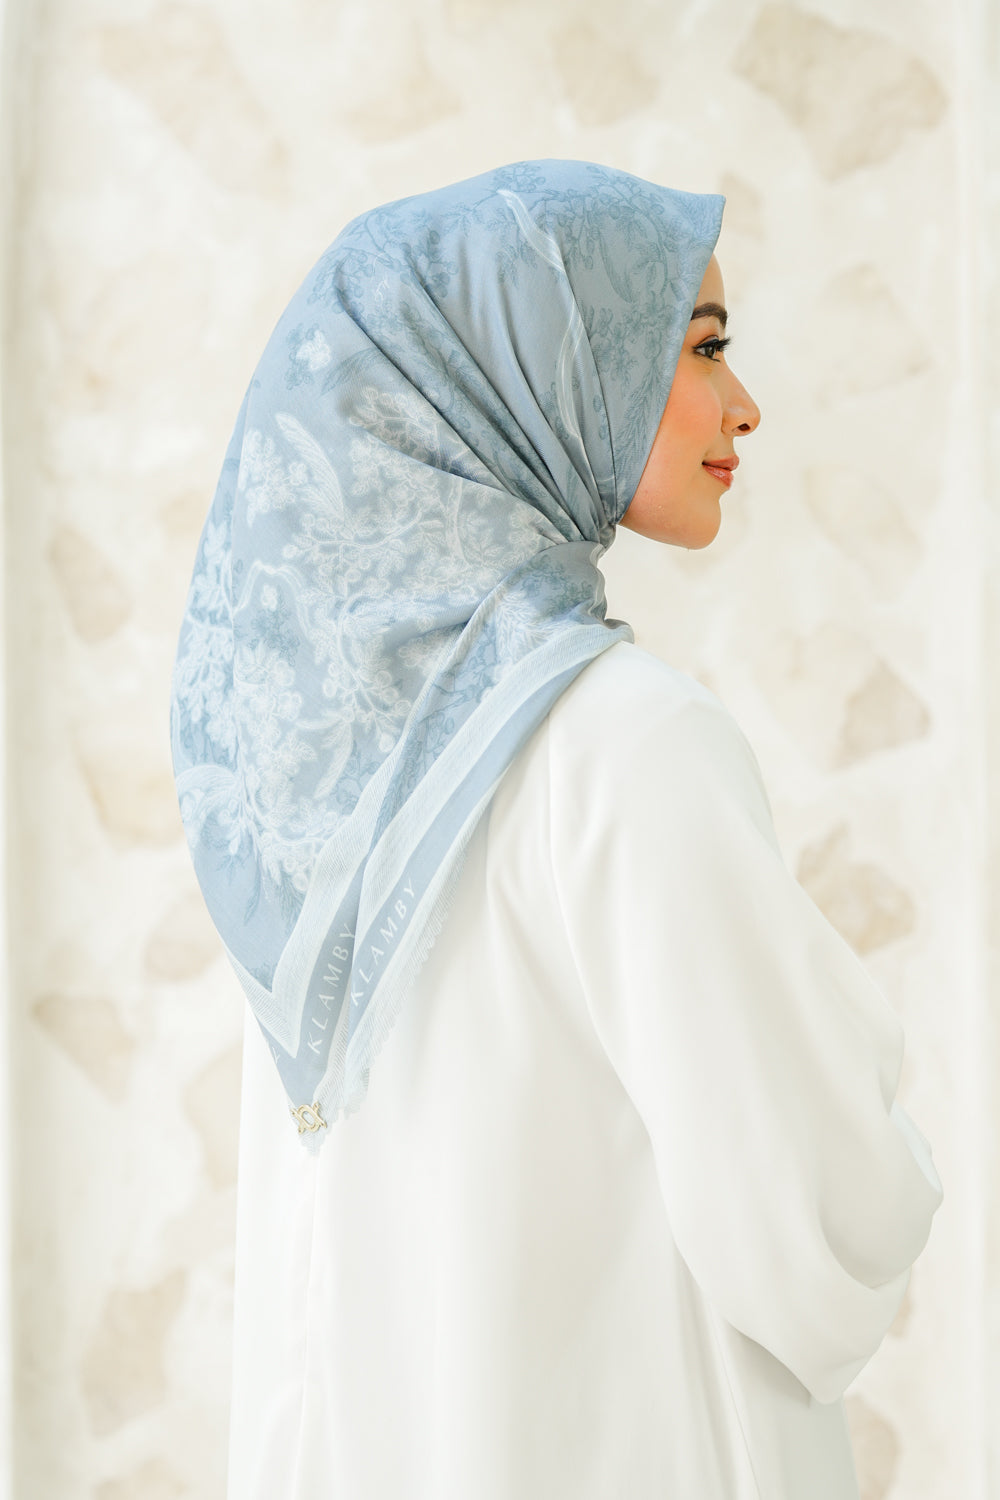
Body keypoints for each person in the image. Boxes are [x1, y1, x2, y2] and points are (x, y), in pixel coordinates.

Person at [170, 160, 944, 1500]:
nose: (745, 406)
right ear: (543, 369)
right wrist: (890, 1136)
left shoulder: (314, 792)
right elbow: (812, 1229)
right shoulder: (627, 743)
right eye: (702, 347)